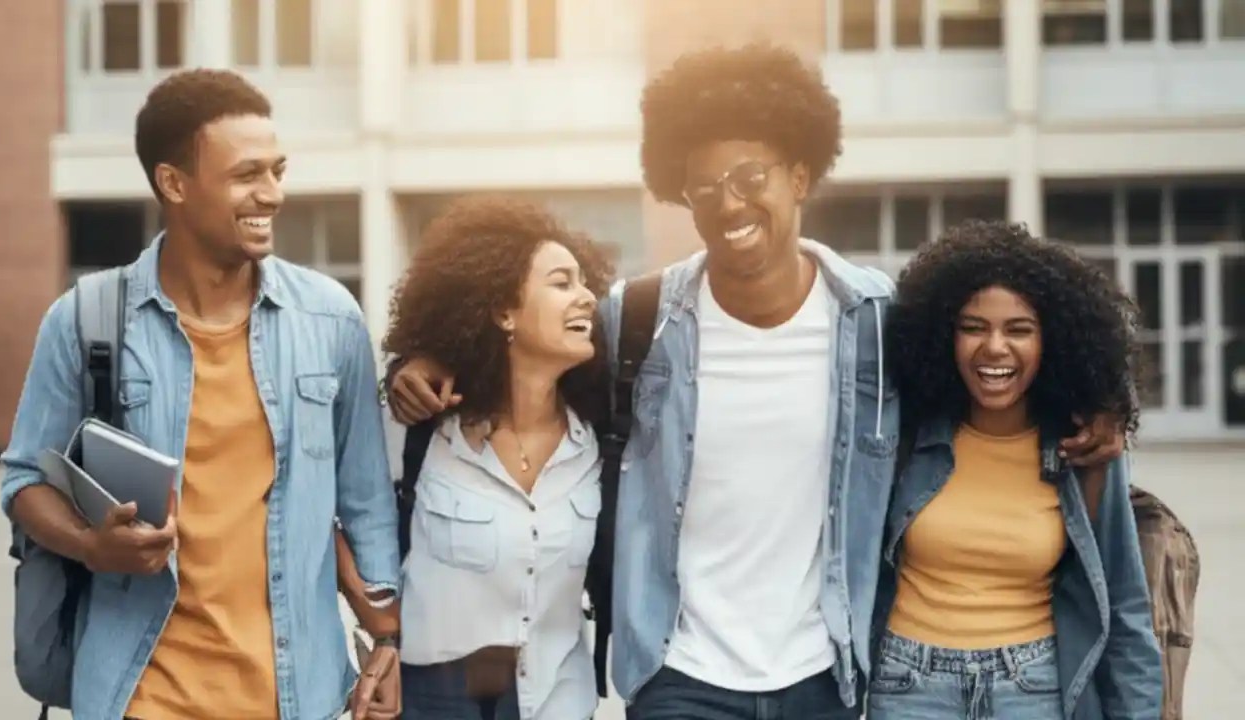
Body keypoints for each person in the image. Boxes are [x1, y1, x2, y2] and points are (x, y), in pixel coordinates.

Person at [387, 44, 1125, 719]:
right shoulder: (636, 321)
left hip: (820, 675)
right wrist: (428, 356)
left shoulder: (876, 322)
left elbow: (989, 377)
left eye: (750, 177)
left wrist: (1091, 400)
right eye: (704, 186)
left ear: (799, 176)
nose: (729, 203)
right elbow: (521, 341)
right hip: (680, 675)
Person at [0, 69, 401, 720]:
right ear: (174, 183)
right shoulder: (85, 320)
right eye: (248, 175)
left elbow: (366, 505)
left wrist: (387, 639)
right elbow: (22, 481)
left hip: (300, 697)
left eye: (278, 170)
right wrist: (92, 545)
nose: (271, 194)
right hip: (140, 698)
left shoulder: (331, 320)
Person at [872, 220, 1163, 720]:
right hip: (909, 686)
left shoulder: (1085, 450)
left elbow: (1126, 608)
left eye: (1020, 329)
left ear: (1055, 342)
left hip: (1032, 690)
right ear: (943, 336)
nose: (995, 348)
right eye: (973, 327)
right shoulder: (907, 433)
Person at [340, 195, 613, 720]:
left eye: (584, 283)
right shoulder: (422, 431)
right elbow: (339, 518)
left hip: (558, 703)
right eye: (562, 283)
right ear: (502, 311)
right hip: (430, 703)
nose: (587, 299)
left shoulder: (601, 436)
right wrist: (380, 636)